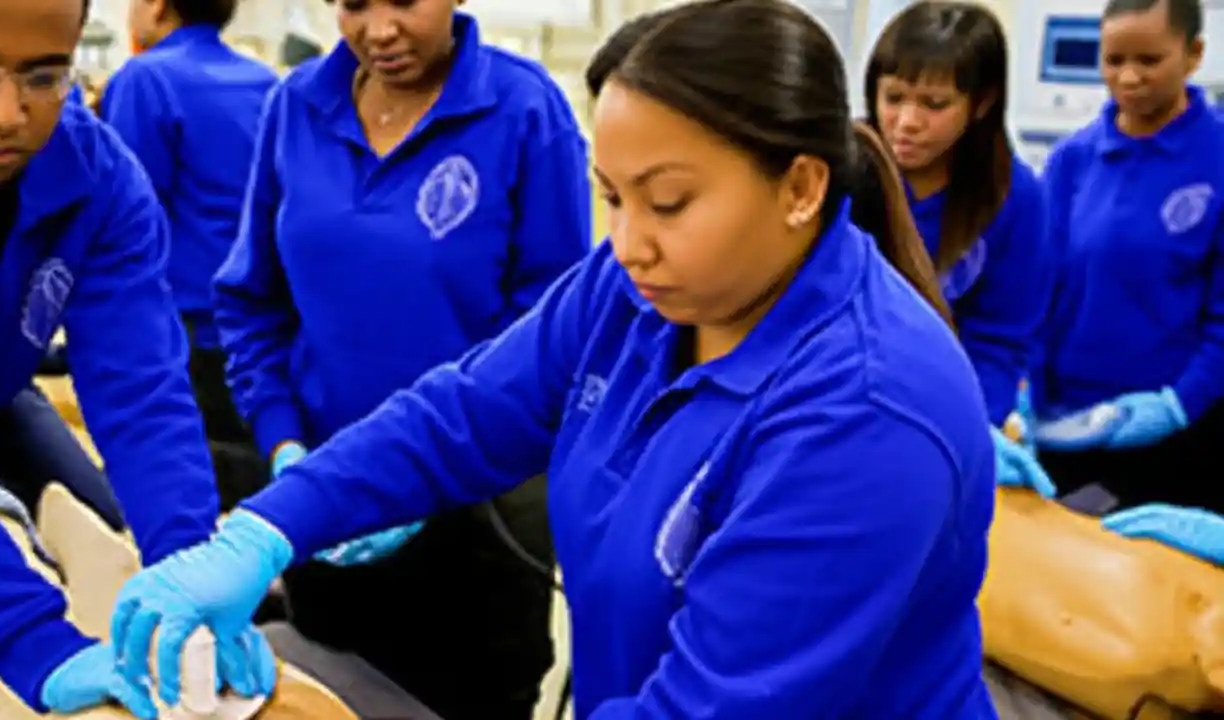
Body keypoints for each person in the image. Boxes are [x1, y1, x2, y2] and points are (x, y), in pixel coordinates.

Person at [110, 0, 999, 715]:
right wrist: (269, 527)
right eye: (613, 198)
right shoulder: (638, 290)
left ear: (802, 187)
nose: (629, 240)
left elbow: (713, 703)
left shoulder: (867, 413)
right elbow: (461, 414)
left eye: (670, 202)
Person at [208, 0, 591, 717]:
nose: (379, 31)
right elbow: (252, 300)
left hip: (479, 522)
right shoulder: (297, 106)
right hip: (330, 510)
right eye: (353, 4)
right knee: (326, 692)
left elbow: (557, 333)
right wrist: (285, 444)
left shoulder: (523, 111)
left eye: (405, 0)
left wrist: (432, 473)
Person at [0, 0, 273, 717]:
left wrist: (193, 567)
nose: (6, 112)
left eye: (44, 76)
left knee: (113, 538)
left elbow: (142, 393)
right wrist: (32, 644)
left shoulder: (95, 180)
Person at [1032, 0, 1224, 512]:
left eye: (1149, 60)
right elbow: (1038, 287)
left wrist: (1178, 406)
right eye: (1114, 60)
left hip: (1174, 436)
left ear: (1193, 54)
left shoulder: (1217, 158)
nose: (1129, 77)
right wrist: (1026, 384)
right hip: (1065, 427)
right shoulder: (1072, 160)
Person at [864, 0, 1056, 498]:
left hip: (943, 406)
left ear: (982, 103)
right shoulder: (844, 170)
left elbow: (999, 339)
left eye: (933, 104)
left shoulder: (1014, 196)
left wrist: (969, 432)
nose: (906, 121)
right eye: (893, 97)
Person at [99, 0, 275, 445]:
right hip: (259, 327)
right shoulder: (266, 82)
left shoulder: (146, 79)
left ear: (156, 7)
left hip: (182, 332)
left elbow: (124, 218)